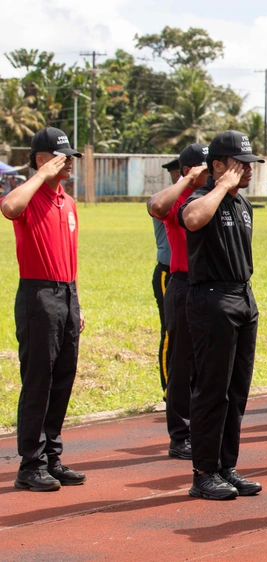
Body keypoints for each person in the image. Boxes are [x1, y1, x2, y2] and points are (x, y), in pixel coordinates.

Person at [178, 130, 263, 500]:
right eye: (239, 164)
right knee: (212, 389)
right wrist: (218, 186)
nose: (247, 171)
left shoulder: (242, 205)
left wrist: (230, 188)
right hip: (212, 298)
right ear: (217, 166)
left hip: (242, 297)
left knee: (236, 389)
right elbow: (192, 219)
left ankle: (227, 465)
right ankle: (204, 471)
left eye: (249, 165)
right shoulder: (202, 197)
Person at [3, 127, 87, 492]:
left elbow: (71, 257)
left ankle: (52, 457)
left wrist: (77, 301)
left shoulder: (67, 202)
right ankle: (30, 463)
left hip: (66, 294)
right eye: (61, 157)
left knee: (62, 378)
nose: (69, 163)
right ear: (41, 159)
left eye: (70, 157)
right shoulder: (29, 195)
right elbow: (9, 207)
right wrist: (39, 175)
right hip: (37, 295)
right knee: (38, 380)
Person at [147, 143, 209, 460]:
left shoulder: (211, 198)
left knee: (204, 365)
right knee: (181, 363)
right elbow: (156, 206)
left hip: (210, 288)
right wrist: (185, 180)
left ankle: (200, 429)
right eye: (205, 167)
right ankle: (180, 435)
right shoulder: (178, 199)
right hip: (181, 281)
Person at [152, 158, 180, 394]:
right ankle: (168, 387)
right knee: (170, 330)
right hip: (167, 271)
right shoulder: (164, 200)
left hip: (189, 274)